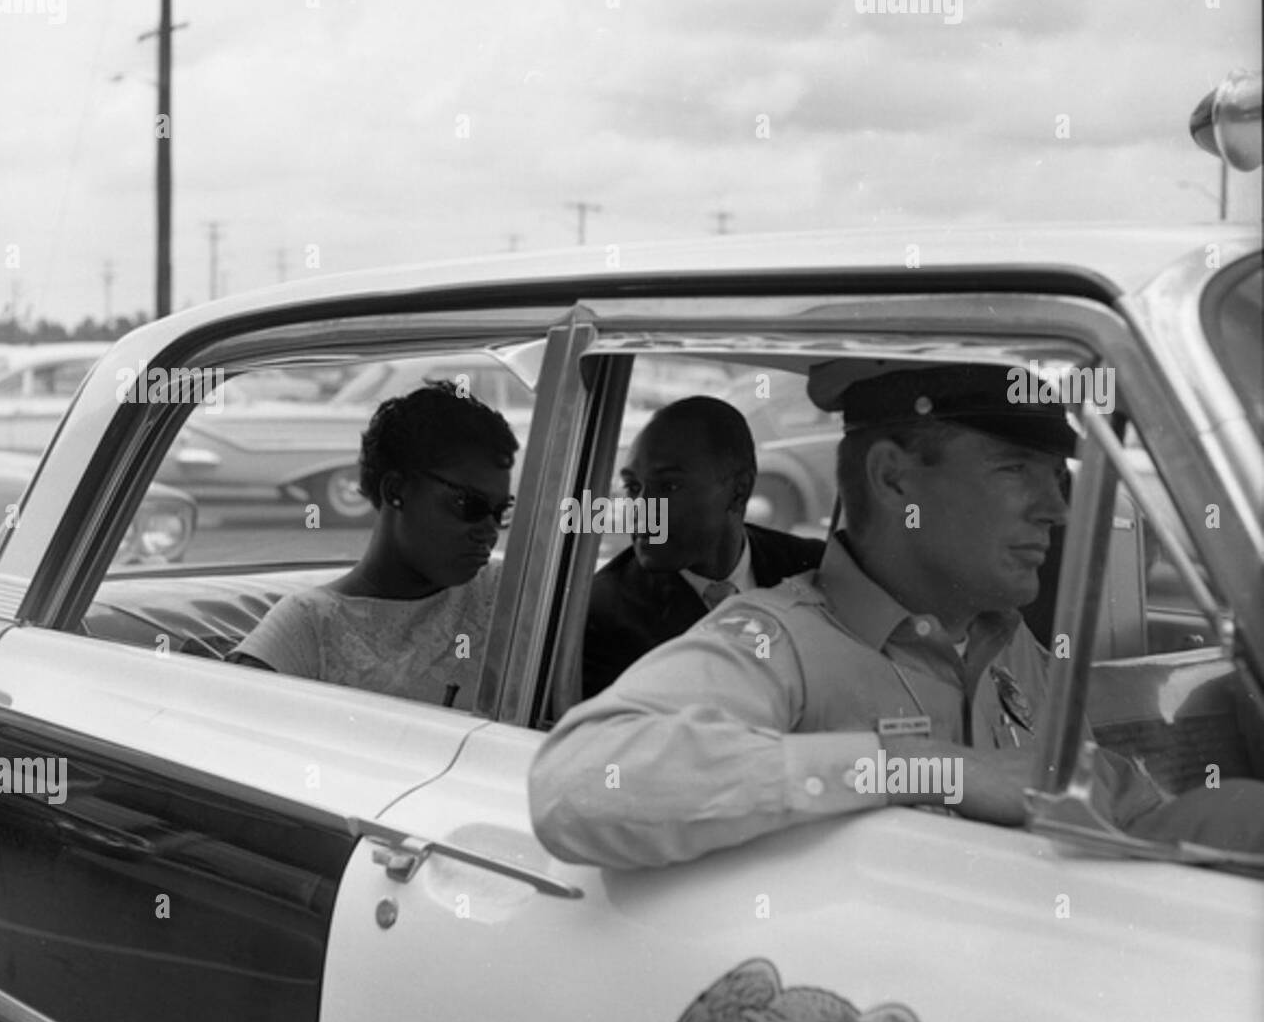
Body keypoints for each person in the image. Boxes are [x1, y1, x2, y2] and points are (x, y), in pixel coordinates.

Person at [530, 361, 1263, 868]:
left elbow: (1120, 812)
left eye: (1055, 476)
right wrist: (936, 770)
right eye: (1015, 470)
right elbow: (578, 783)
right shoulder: (776, 641)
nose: (1057, 506)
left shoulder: (1009, 645)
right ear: (892, 478)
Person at [230, 380, 516, 708]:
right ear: (397, 490)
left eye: (499, 512)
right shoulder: (309, 627)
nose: (490, 531)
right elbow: (235, 734)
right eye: (470, 506)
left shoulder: (503, 592)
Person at [583, 396, 825, 696]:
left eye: (669, 487)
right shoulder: (602, 616)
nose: (641, 511)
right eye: (634, 488)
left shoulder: (815, 570)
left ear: (739, 491)